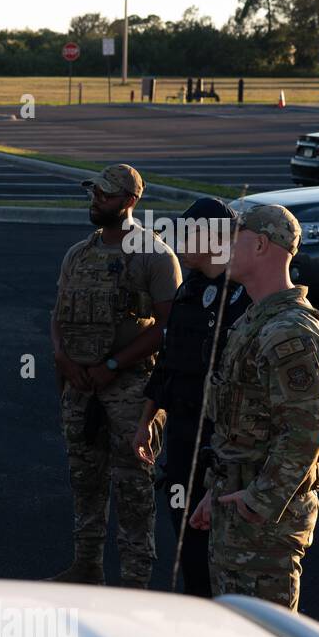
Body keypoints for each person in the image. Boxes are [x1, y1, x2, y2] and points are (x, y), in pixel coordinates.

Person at [189, 205, 319, 611]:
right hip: (237, 510)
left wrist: (259, 500)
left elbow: (305, 433)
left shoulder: (288, 331)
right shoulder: (255, 321)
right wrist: (216, 490)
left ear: (259, 244)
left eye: (232, 238)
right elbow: (241, 424)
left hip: (264, 527)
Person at [49, 164, 182, 588]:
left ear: (129, 202)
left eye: (105, 195)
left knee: (133, 490)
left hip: (130, 391)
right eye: (94, 193)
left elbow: (167, 328)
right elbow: (58, 313)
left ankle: (134, 585)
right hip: (80, 386)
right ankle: (85, 567)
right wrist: (64, 360)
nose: (96, 201)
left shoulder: (155, 256)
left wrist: (112, 366)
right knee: (84, 480)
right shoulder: (78, 253)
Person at [133, 198, 251, 597]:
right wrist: (145, 421)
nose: (179, 240)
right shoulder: (190, 289)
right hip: (183, 437)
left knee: (226, 546)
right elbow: (167, 363)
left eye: (188, 232)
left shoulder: (245, 297)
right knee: (187, 540)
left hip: (224, 443)